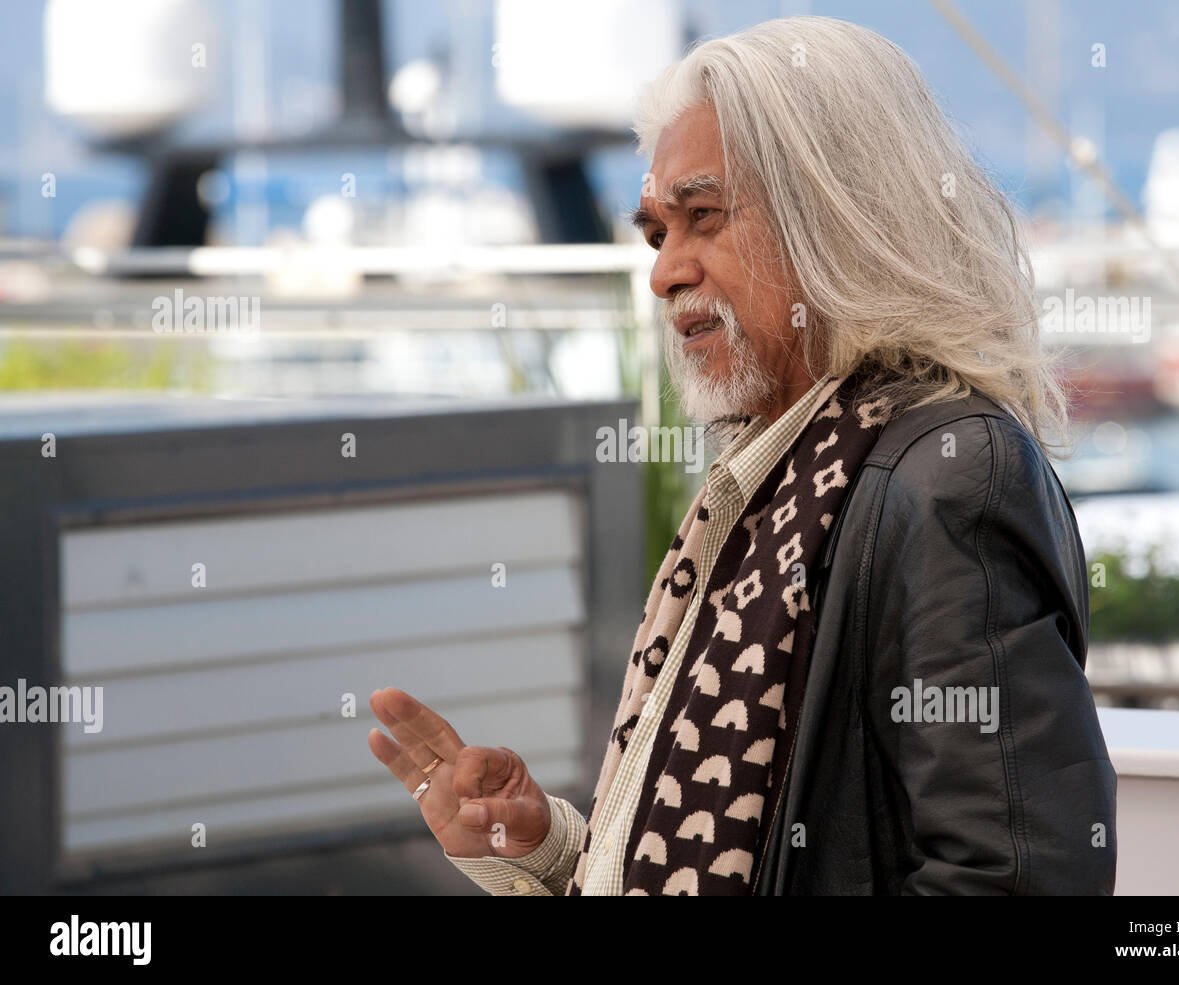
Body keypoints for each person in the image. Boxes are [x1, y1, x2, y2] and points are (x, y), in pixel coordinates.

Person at [367, 15, 1117, 895]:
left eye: (703, 218)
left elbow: (1021, 878)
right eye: (655, 232)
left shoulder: (944, 480)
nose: (664, 271)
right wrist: (546, 856)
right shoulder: (782, 470)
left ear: (836, 215)